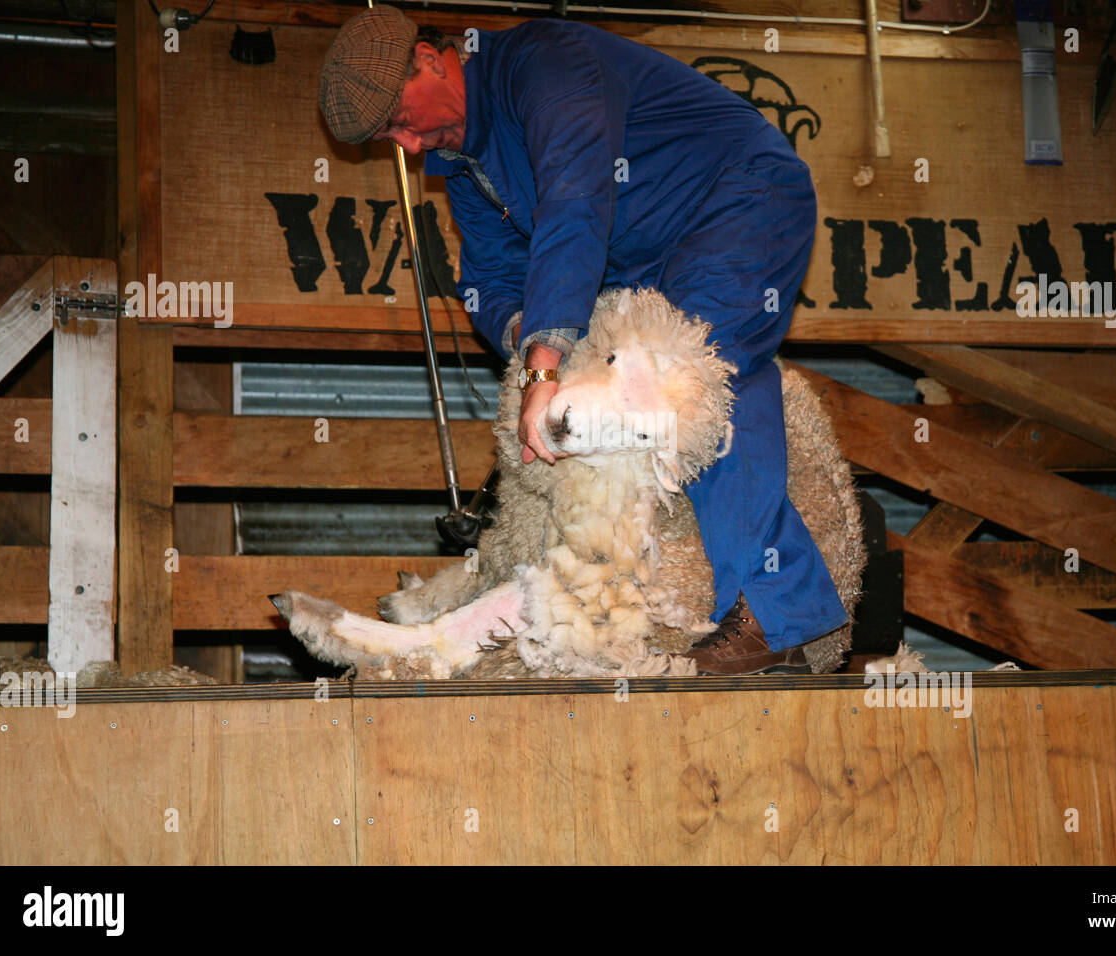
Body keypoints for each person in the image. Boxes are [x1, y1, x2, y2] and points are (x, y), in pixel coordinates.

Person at [319, 8, 848, 674]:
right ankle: (779, 615)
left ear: (428, 58)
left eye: (400, 119)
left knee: (687, 382)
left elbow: (576, 201)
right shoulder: (467, 168)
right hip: (649, 260)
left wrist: (544, 367)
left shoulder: (543, 61)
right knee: (689, 381)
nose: (412, 146)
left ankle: (778, 614)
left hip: (739, 198)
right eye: (391, 139)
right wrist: (527, 337)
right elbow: (489, 278)